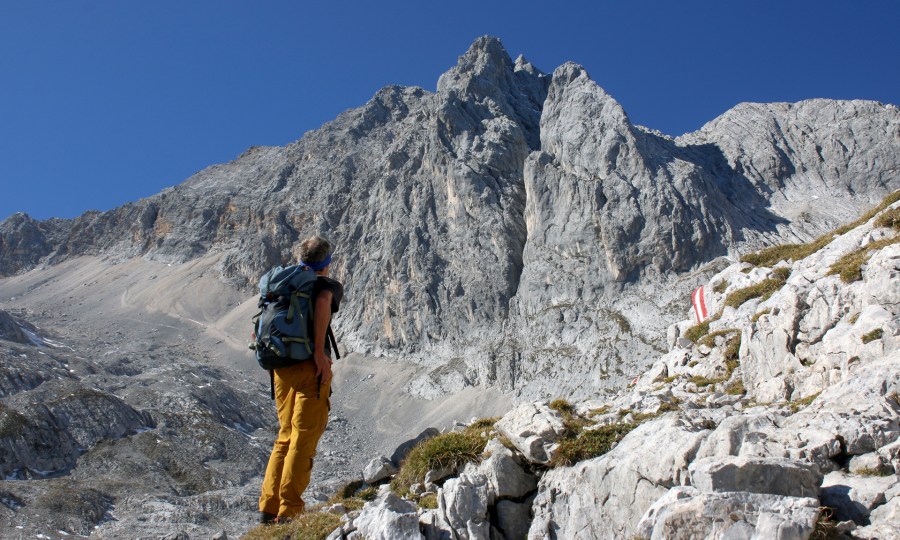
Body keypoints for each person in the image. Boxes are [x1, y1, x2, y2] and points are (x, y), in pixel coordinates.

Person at [258, 235, 344, 523]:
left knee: (284, 436)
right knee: (303, 438)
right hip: (310, 368)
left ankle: (268, 508)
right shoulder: (323, 286)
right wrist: (319, 353)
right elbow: (322, 303)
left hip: (281, 368)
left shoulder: (285, 281)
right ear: (327, 262)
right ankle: (290, 509)